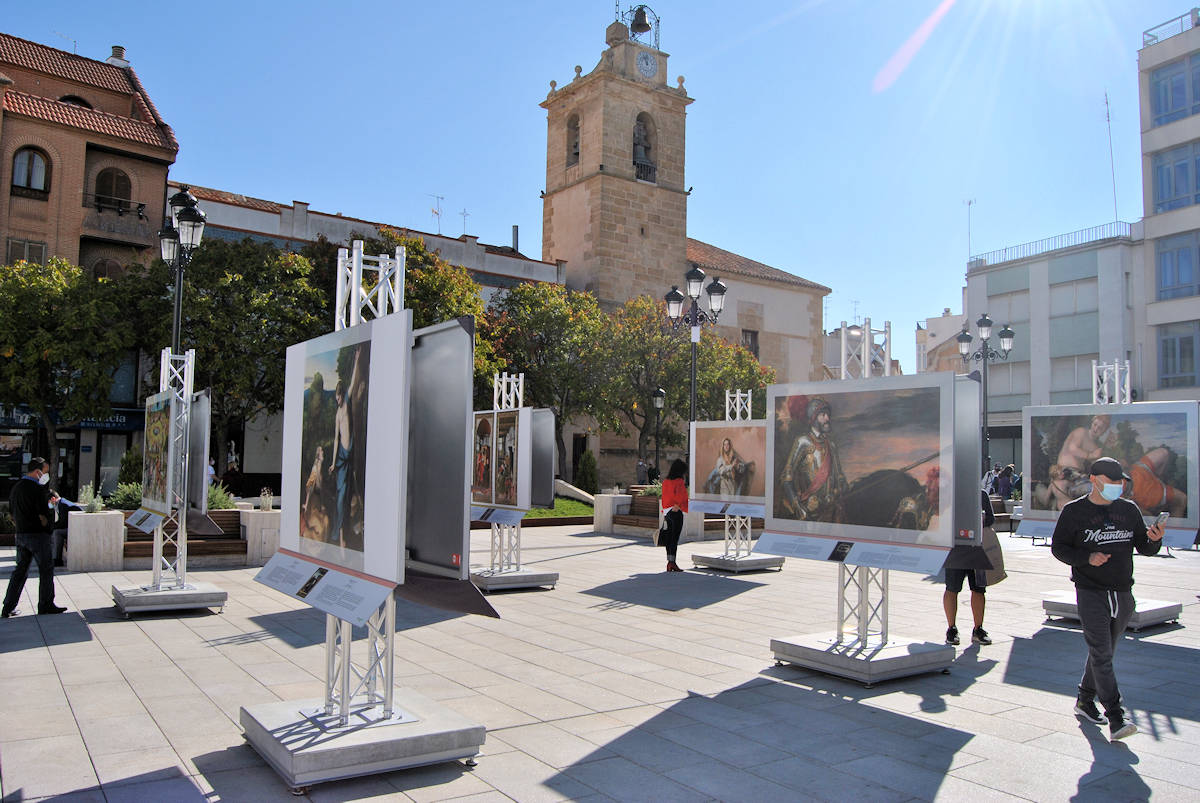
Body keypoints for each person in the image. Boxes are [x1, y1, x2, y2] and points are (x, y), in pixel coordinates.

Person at [1051, 457, 1164, 742]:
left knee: (1105, 652)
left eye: (1120, 481)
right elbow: (1059, 548)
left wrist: (1155, 539)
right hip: (1090, 592)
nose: (1117, 486)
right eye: (1112, 481)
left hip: (1123, 593)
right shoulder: (1074, 512)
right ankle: (1117, 716)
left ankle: (1085, 700)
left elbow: (1144, 547)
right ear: (1094, 480)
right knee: (1102, 652)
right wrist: (1086, 558)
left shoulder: (1128, 510)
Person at [2, 457, 67, 617]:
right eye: (45, 472)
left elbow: (11, 513)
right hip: (37, 535)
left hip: (21, 534)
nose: (47, 475)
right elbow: (43, 516)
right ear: (38, 472)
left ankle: (8, 606)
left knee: (20, 570)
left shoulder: (16, 488)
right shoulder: (37, 490)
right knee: (46, 569)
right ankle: (46, 604)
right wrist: (48, 522)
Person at [779, 397, 846, 521]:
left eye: (828, 415)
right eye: (823, 415)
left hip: (831, 511)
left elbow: (840, 477)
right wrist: (798, 508)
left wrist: (838, 490)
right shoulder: (802, 442)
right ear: (813, 418)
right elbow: (786, 478)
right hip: (810, 512)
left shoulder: (830, 445)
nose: (827, 419)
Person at [944, 490, 994, 646]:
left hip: (976, 549)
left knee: (979, 590)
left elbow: (991, 519)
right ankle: (951, 628)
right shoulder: (949, 494)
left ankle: (978, 629)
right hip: (955, 549)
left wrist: (979, 520)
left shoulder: (981, 494)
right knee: (952, 589)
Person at [659, 459, 688, 572]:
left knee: (669, 538)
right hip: (675, 511)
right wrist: (678, 506)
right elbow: (681, 496)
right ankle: (673, 563)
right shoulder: (679, 481)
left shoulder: (666, 481)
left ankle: (669, 562)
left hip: (667, 512)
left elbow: (665, 497)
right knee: (674, 538)